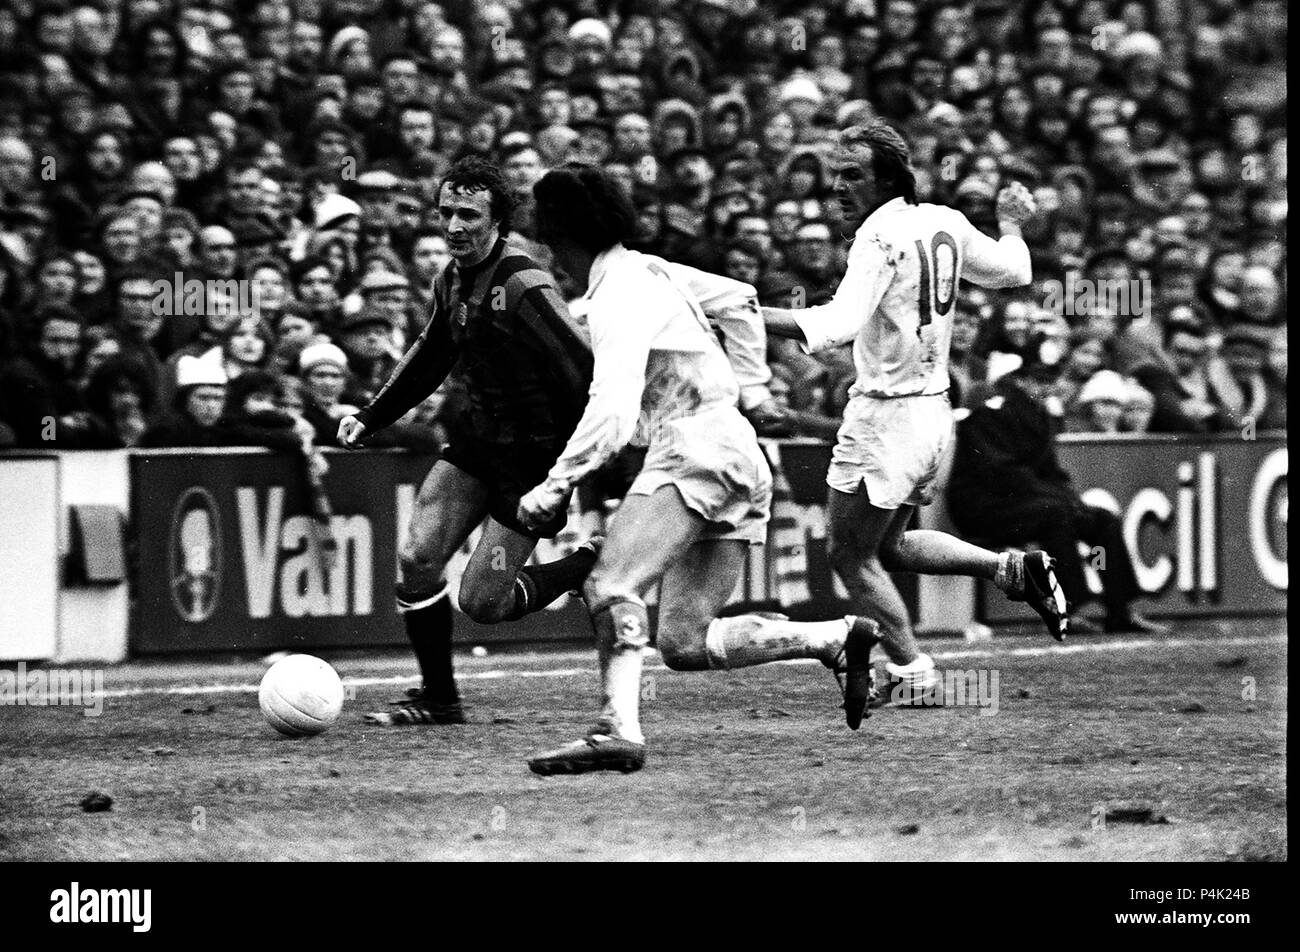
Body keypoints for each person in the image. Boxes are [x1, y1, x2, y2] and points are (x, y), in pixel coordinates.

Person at [518, 165, 881, 777]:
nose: (550, 259)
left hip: (692, 447)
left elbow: (611, 406)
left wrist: (555, 484)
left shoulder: (614, 296)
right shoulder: (654, 269)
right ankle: (834, 637)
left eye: (549, 244)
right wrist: (753, 389)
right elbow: (741, 300)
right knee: (684, 642)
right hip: (736, 448)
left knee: (610, 586)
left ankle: (618, 730)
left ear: (563, 240)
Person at [760, 121, 1069, 717]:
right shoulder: (944, 220)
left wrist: (740, 310)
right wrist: (1010, 223)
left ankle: (912, 672)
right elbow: (1014, 270)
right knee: (890, 546)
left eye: (853, 176)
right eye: (836, 177)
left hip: (886, 414)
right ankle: (1011, 568)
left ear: (888, 179)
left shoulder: (877, 239)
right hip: (931, 412)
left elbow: (835, 325)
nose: (840, 189)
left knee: (851, 556)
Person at [336, 157, 598, 726]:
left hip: (534, 460)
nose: (454, 225)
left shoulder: (525, 285)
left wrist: (574, 466)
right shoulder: (451, 278)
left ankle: (583, 566)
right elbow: (433, 352)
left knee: (482, 604)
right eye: (446, 212)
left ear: (497, 222)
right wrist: (373, 415)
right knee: (416, 557)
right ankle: (439, 698)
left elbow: (583, 372)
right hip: (479, 444)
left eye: (468, 215)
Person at [947, 360, 1170, 635]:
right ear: (1019, 380)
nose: (1045, 387)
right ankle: (1068, 610)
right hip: (981, 506)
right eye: (1038, 380)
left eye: (1047, 380)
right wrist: (1060, 499)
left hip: (1022, 502)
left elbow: (1049, 472)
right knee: (1057, 514)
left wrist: (1073, 501)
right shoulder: (990, 410)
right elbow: (997, 473)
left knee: (1102, 521)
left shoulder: (1037, 414)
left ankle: (1119, 610)